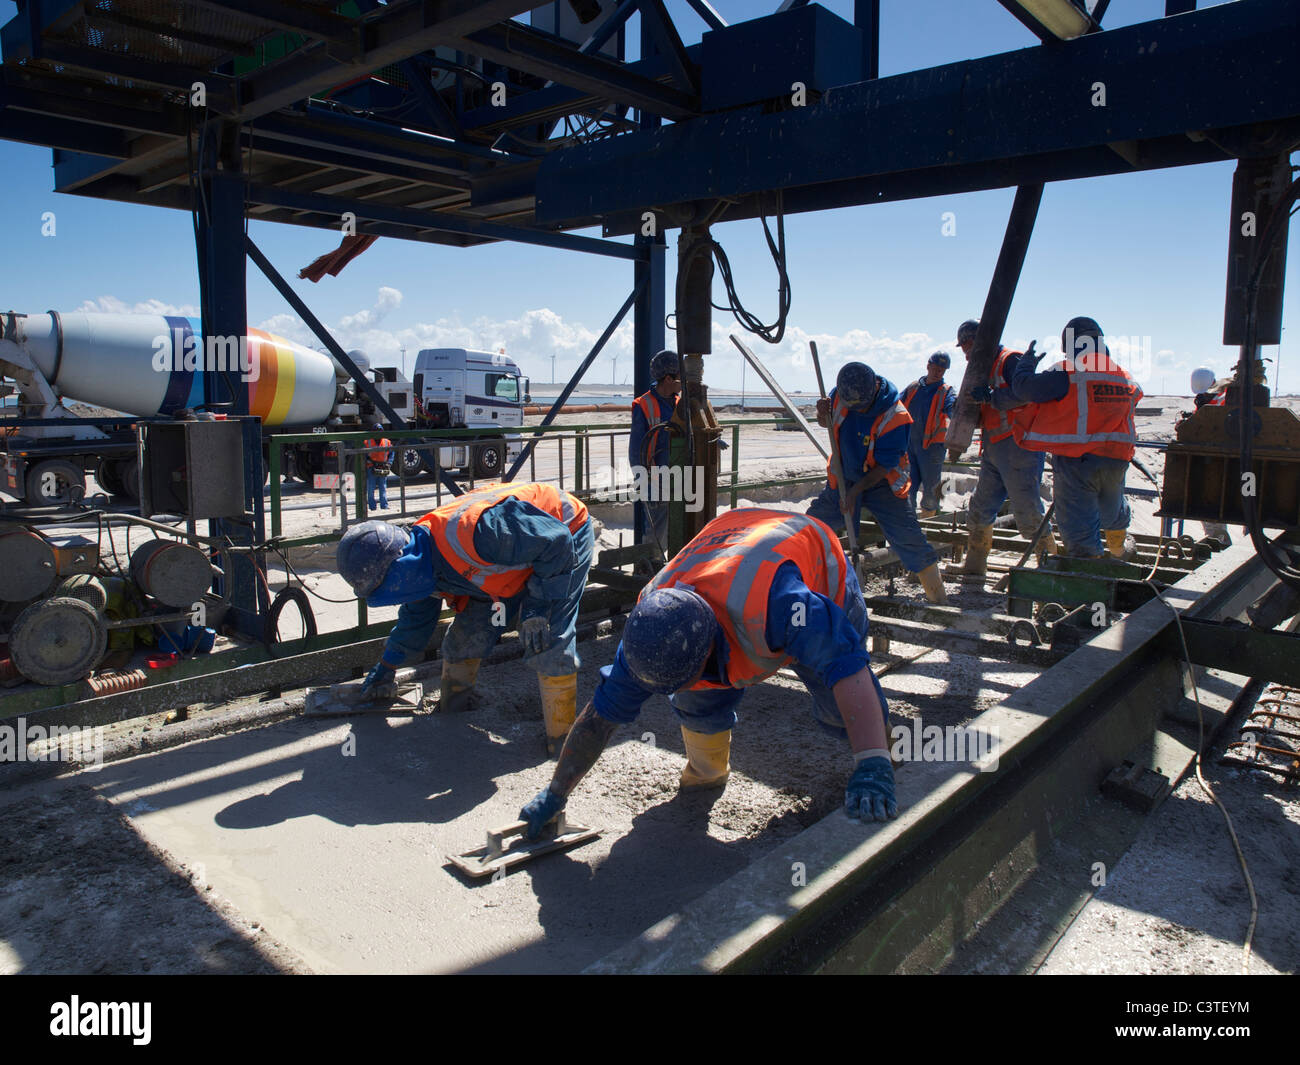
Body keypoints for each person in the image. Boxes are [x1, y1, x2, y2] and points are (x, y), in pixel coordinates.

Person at [515, 508, 899, 840]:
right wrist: (556, 793)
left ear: (712, 646)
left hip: (808, 551)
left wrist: (871, 763)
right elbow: (598, 721)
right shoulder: (649, 632)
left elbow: (847, 670)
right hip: (731, 538)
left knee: (838, 702)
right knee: (696, 697)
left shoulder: (785, 608)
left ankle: (884, 758)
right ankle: (707, 773)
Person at [336, 480, 593, 753]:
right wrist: (386, 668)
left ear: (399, 568)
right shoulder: (418, 565)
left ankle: (564, 744)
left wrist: (537, 611)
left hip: (564, 534)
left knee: (546, 637)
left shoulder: (478, 533)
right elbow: (416, 619)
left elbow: (557, 542)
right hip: (512, 554)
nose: (393, 595)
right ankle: (454, 712)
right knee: (465, 638)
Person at [807, 362, 947, 604]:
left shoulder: (896, 415)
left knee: (908, 537)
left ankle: (938, 600)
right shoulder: (841, 395)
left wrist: (855, 493)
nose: (856, 411)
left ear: (872, 393)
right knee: (812, 526)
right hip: (845, 476)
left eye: (861, 408)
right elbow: (828, 425)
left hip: (883, 483)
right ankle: (811, 585)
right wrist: (822, 414)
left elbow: (885, 465)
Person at [1009, 317, 1143, 559]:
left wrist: (1025, 364)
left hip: (1078, 462)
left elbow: (1025, 389)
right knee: (1113, 513)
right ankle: (1120, 553)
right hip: (1117, 460)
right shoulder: (1123, 375)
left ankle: (1087, 584)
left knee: (1079, 531)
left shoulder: (1068, 372)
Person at [953, 318, 1055, 577]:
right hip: (995, 449)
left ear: (981, 341)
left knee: (1028, 513)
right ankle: (974, 567)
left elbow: (1027, 393)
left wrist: (991, 397)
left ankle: (1053, 570)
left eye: (968, 345)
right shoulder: (984, 368)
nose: (965, 352)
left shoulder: (1010, 361)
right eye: (963, 346)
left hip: (1020, 446)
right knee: (978, 510)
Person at [628, 349, 682, 551]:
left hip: (679, 477)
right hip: (656, 479)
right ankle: (652, 572)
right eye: (679, 377)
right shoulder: (645, 405)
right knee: (656, 535)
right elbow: (636, 450)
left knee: (678, 529)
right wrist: (643, 482)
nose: (682, 382)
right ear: (668, 378)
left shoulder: (680, 403)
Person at [900, 352, 957, 518]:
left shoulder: (946, 392)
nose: (938, 372)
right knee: (908, 486)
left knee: (932, 488)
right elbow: (895, 406)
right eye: (936, 368)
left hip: (932, 448)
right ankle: (909, 521)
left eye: (942, 369)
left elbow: (953, 410)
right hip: (910, 446)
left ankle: (928, 522)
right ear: (928, 366)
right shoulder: (912, 388)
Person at [364, 424, 394, 511]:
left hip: (383, 467)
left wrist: (389, 463)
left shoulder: (386, 442)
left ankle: (384, 505)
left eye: (380, 431)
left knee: (383, 487)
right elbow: (363, 455)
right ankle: (372, 507)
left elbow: (391, 453)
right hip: (371, 468)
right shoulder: (367, 442)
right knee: (371, 488)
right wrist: (369, 461)